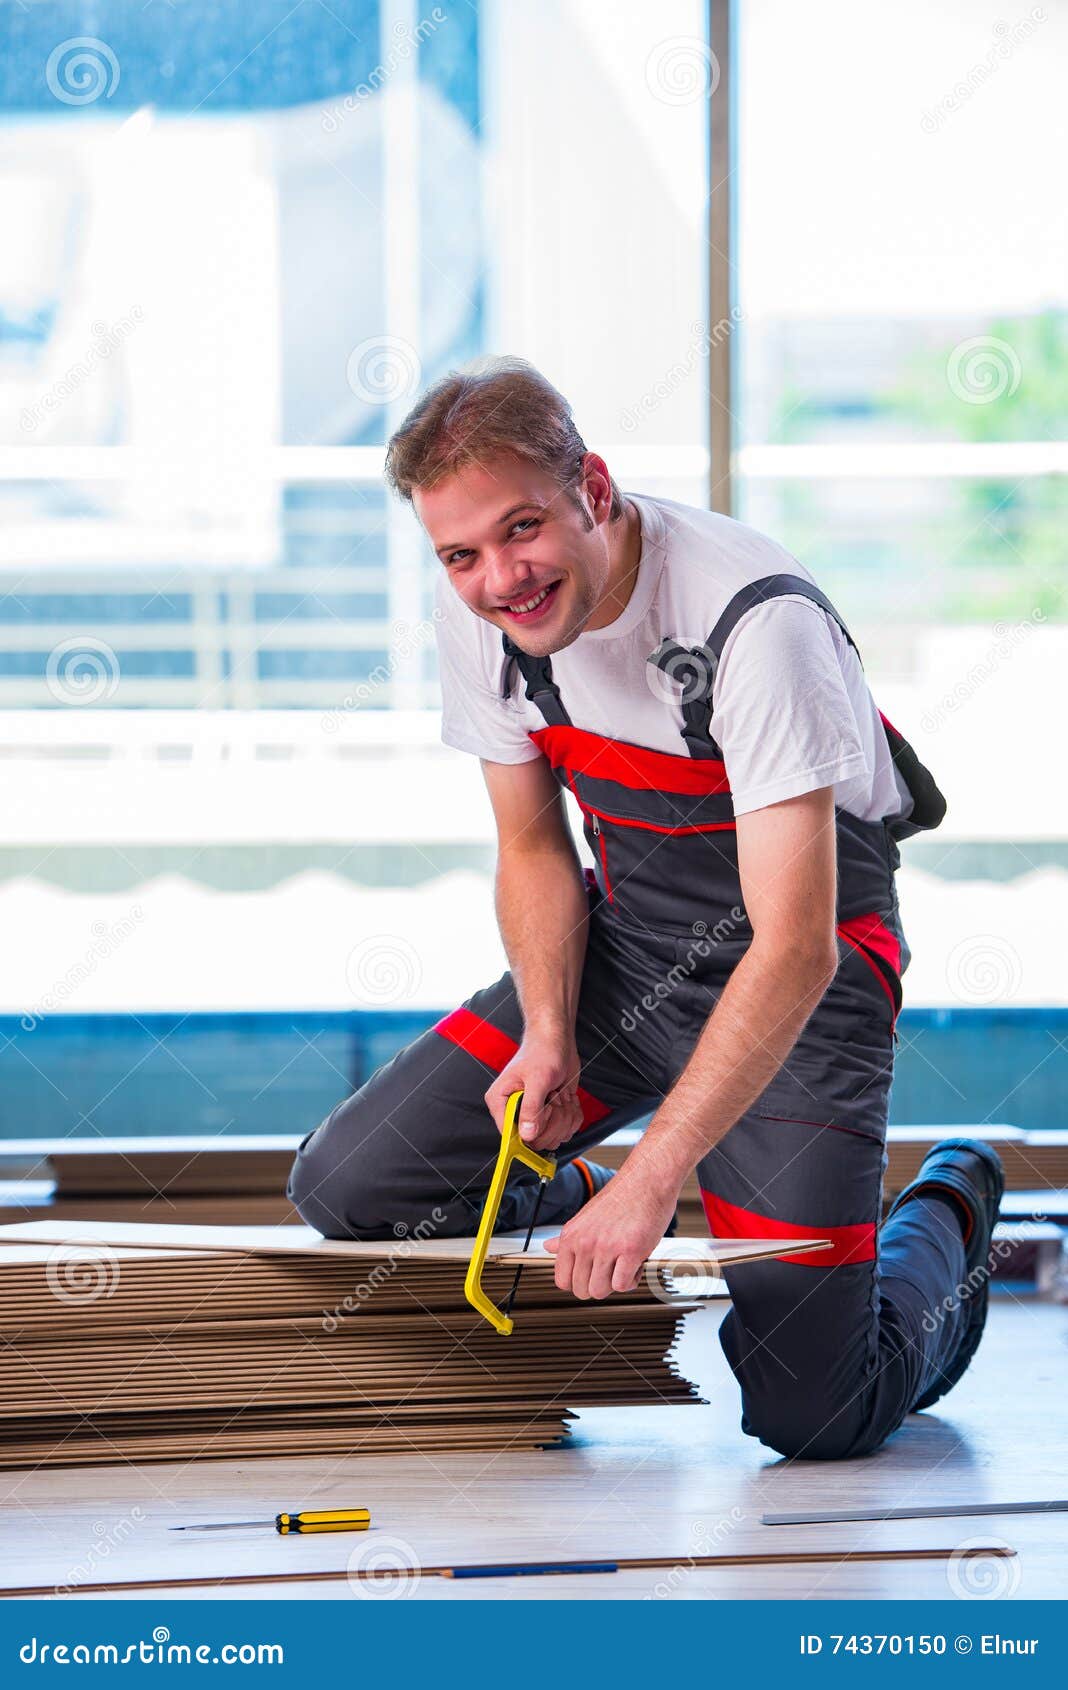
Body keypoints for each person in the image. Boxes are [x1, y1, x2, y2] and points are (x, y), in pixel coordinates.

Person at [288, 357, 1004, 1460]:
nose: (499, 578)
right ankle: (591, 1190)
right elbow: (533, 846)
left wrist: (653, 1176)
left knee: (816, 1413)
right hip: (627, 948)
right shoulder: (485, 613)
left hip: (804, 986)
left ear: (595, 489)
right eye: (460, 553)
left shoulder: (755, 620)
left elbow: (796, 946)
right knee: (351, 1183)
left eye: (523, 528)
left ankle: (949, 1212)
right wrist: (550, 1031)